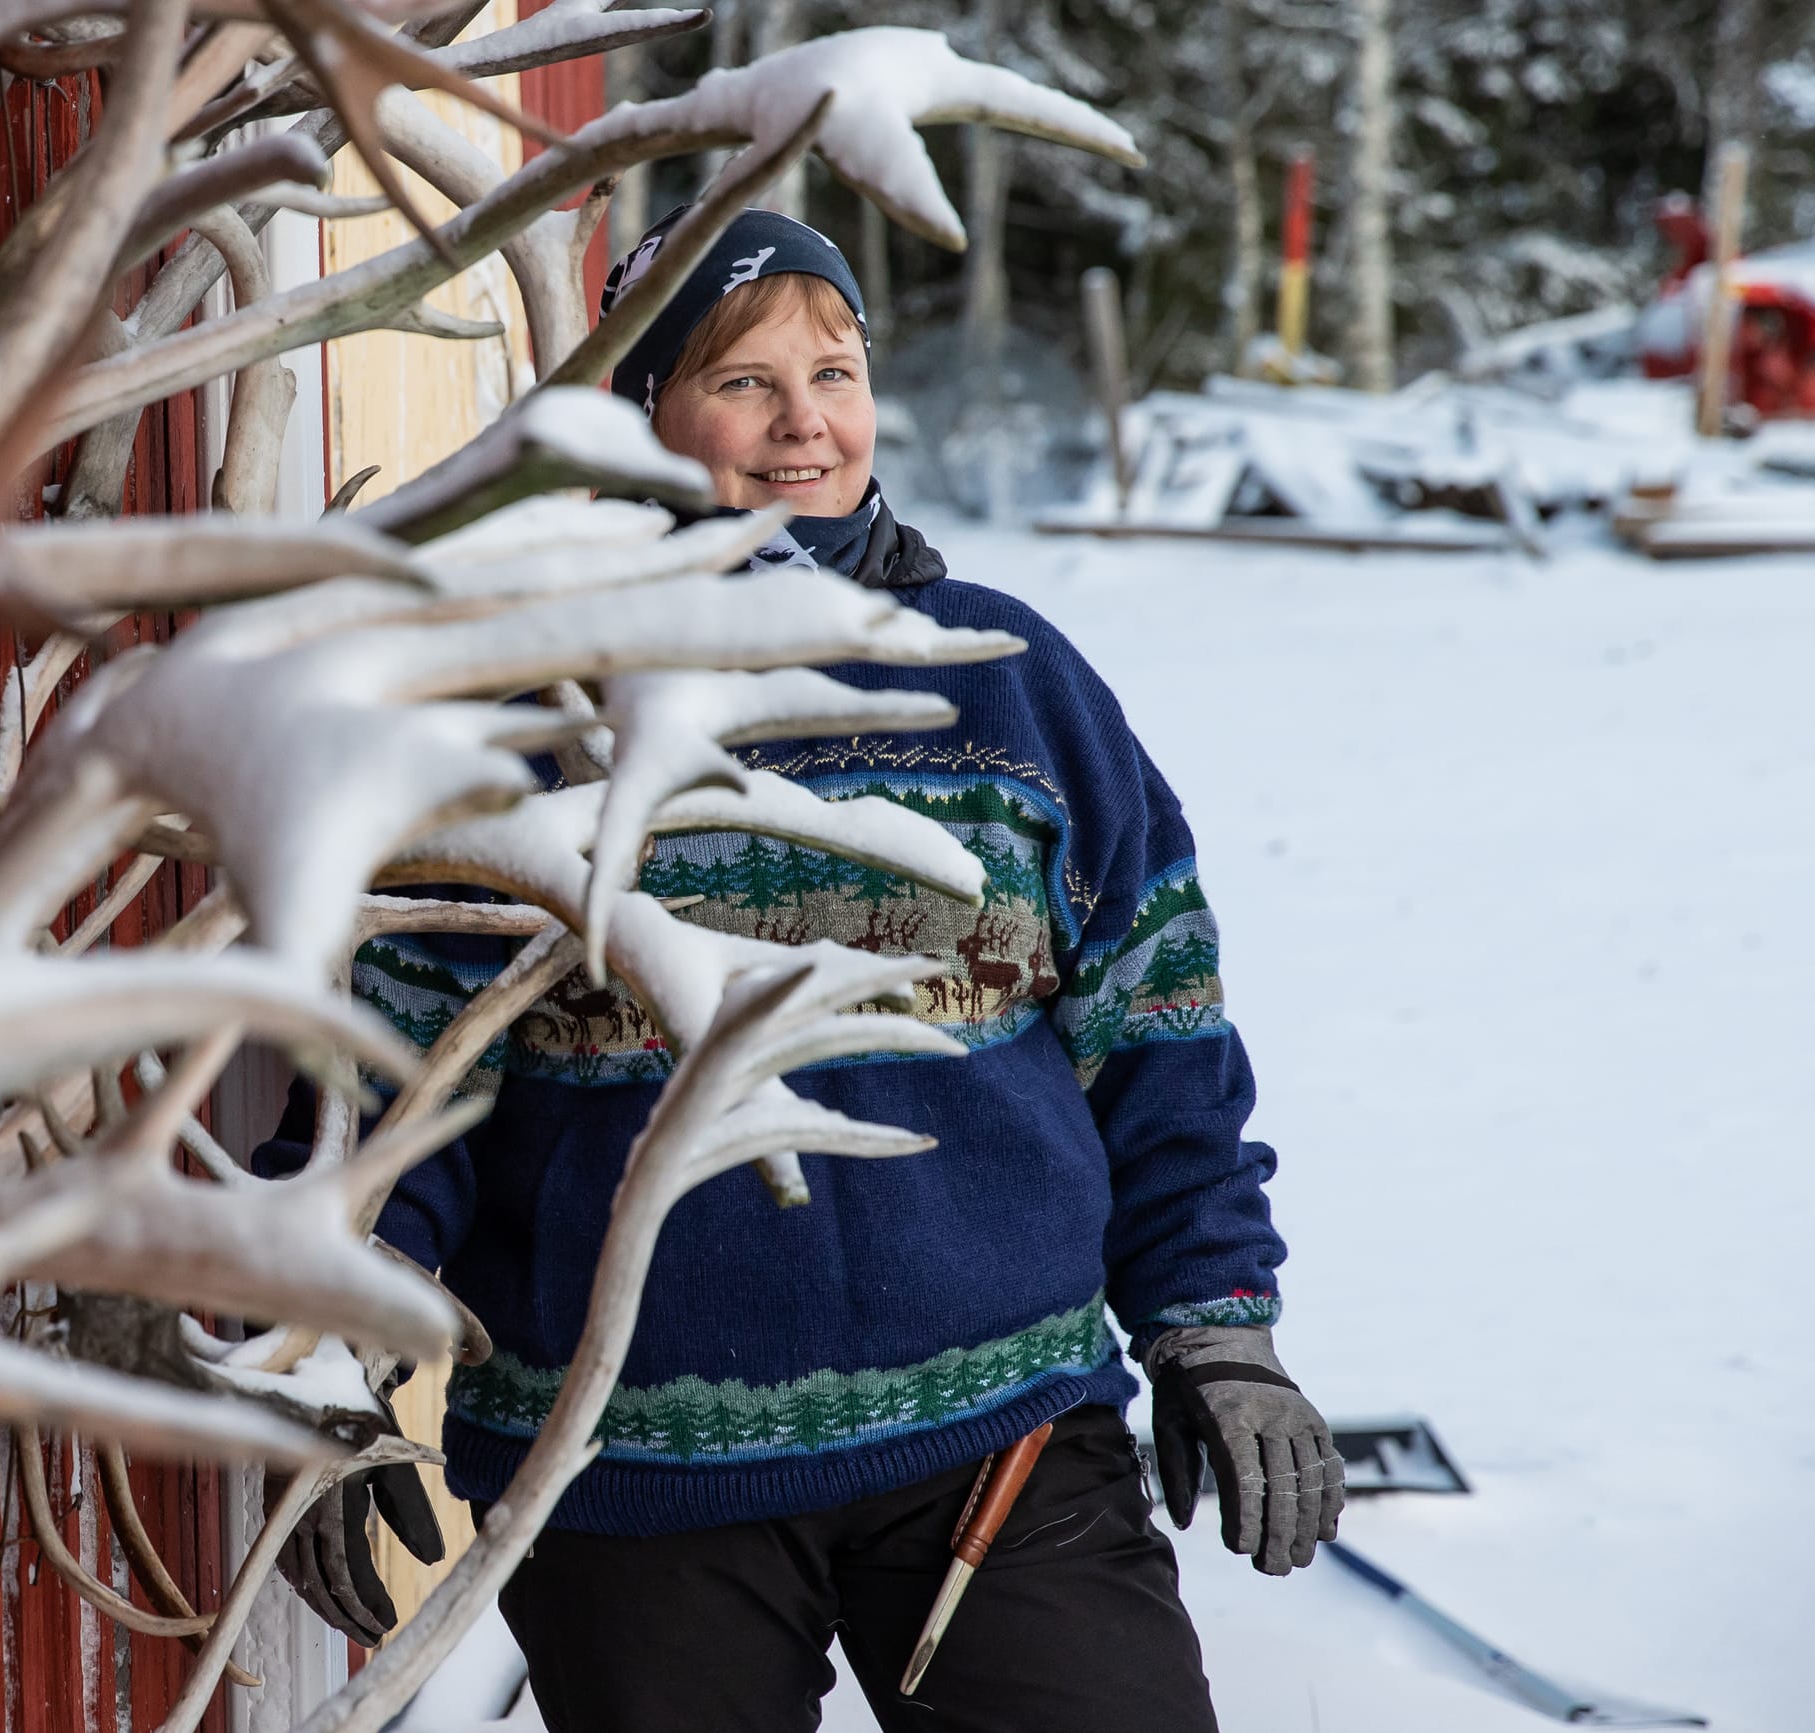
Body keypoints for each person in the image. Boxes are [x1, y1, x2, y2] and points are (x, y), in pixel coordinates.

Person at [258, 209, 1344, 1732]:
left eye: (834, 373)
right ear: (643, 411)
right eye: (742, 381)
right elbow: (392, 1075)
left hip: (1003, 1443)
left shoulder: (1006, 682)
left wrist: (1214, 1320)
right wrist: (324, 1356)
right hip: (625, 1476)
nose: (804, 423)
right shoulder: (527, 717)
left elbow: (1156, 1022)